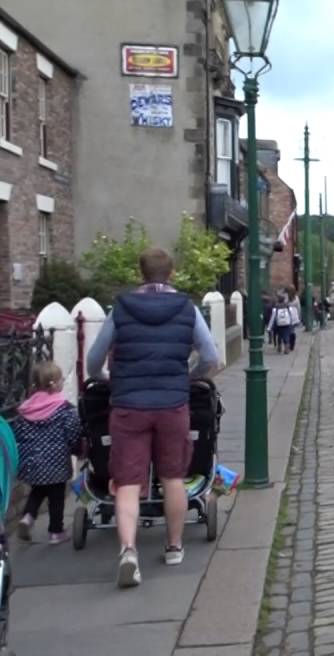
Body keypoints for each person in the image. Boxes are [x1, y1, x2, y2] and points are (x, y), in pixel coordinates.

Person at [85, 247, 219, 588]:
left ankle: (128, 551)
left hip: (128, 405)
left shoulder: (123, 309)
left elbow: (95, 358)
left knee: (128, 481)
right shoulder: (186, 308)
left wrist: (105, 378)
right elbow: (210, 356)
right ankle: (174, 547)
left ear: (140, 273)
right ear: (171, 272)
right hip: (173, 404)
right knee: (174, 476)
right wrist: (188, 376)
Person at [12, 362, 81, 545]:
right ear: (55, 384)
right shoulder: (63, 408)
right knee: (56, 496)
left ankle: (27, 517)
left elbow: (18, 433)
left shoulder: (26, 408)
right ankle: (56, 531)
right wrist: (76, 448)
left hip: (32, 462)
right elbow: (72, 431)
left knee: (38, 490)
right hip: (56, 461)